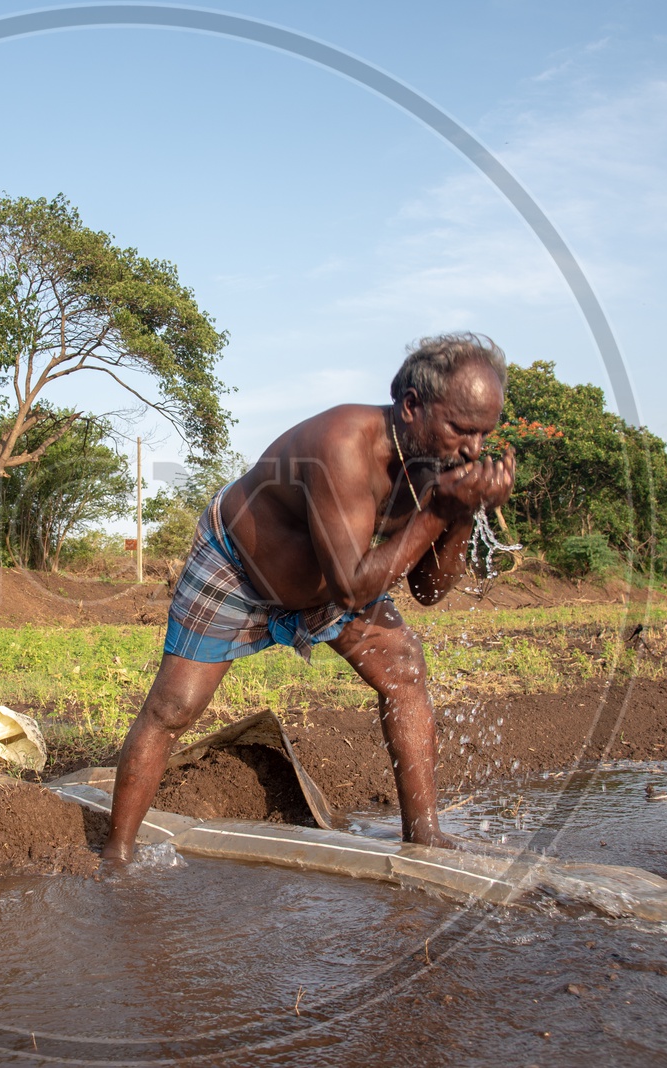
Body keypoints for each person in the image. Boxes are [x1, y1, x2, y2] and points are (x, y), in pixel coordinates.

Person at [102, 333, 516, 864]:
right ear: (412, 405)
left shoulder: (441, 466)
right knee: (173, 709)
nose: (473, 450)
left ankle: (425, 836)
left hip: (330, 580)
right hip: (240, 568)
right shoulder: (342, 444)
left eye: (484, 435)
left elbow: (428, 591)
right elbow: (350, 585)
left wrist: (460, 514)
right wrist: (436, 511)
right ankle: (116, 855)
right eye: (461, 429)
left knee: (405, 670)